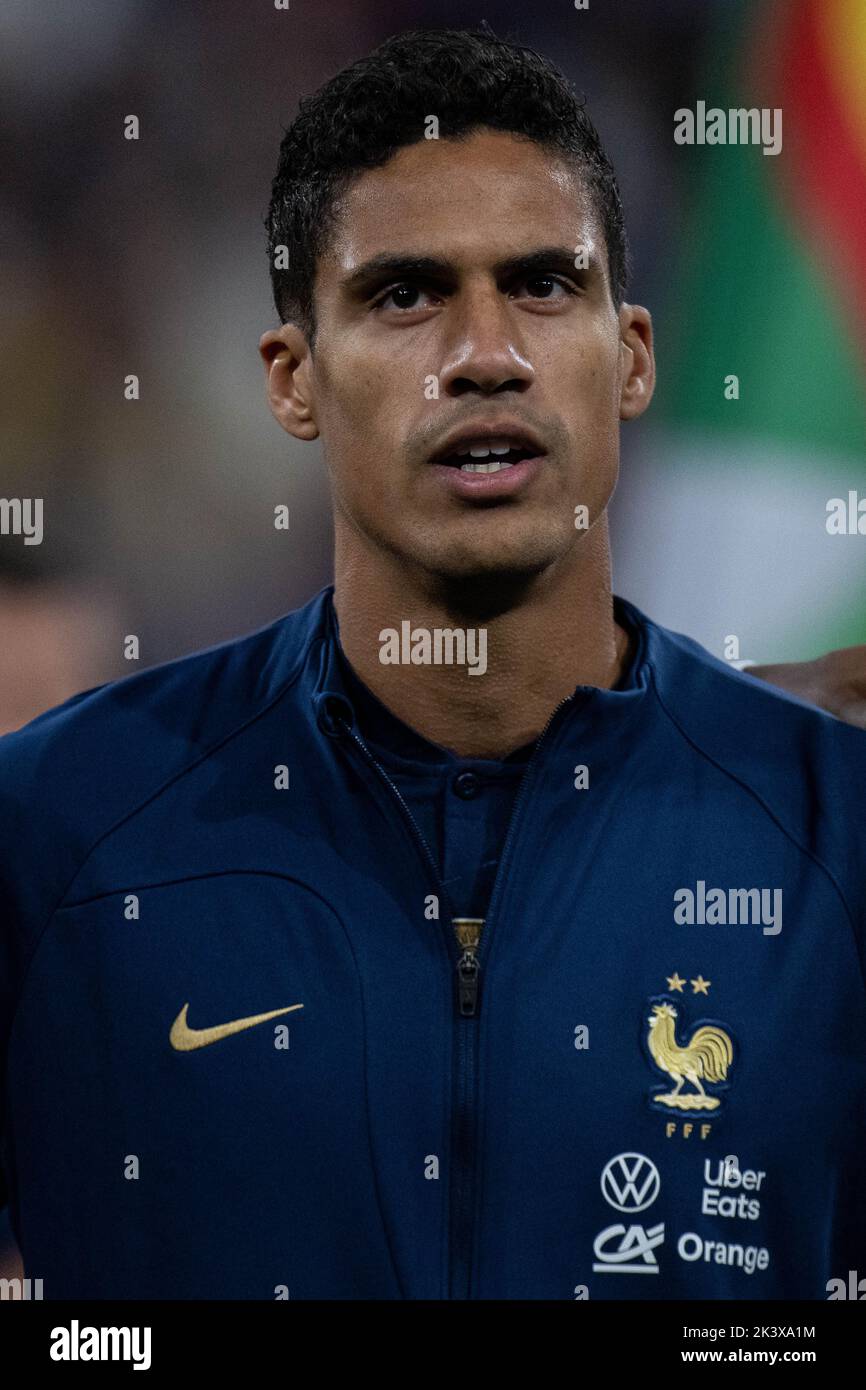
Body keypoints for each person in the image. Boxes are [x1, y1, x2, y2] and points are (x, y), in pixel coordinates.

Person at [1, 27, 864, 1301]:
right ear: (291, 378)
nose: (484, 352)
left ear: (630, 356)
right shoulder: (54, 829)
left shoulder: (835, 829)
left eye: (543, 285)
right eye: (404, 294)